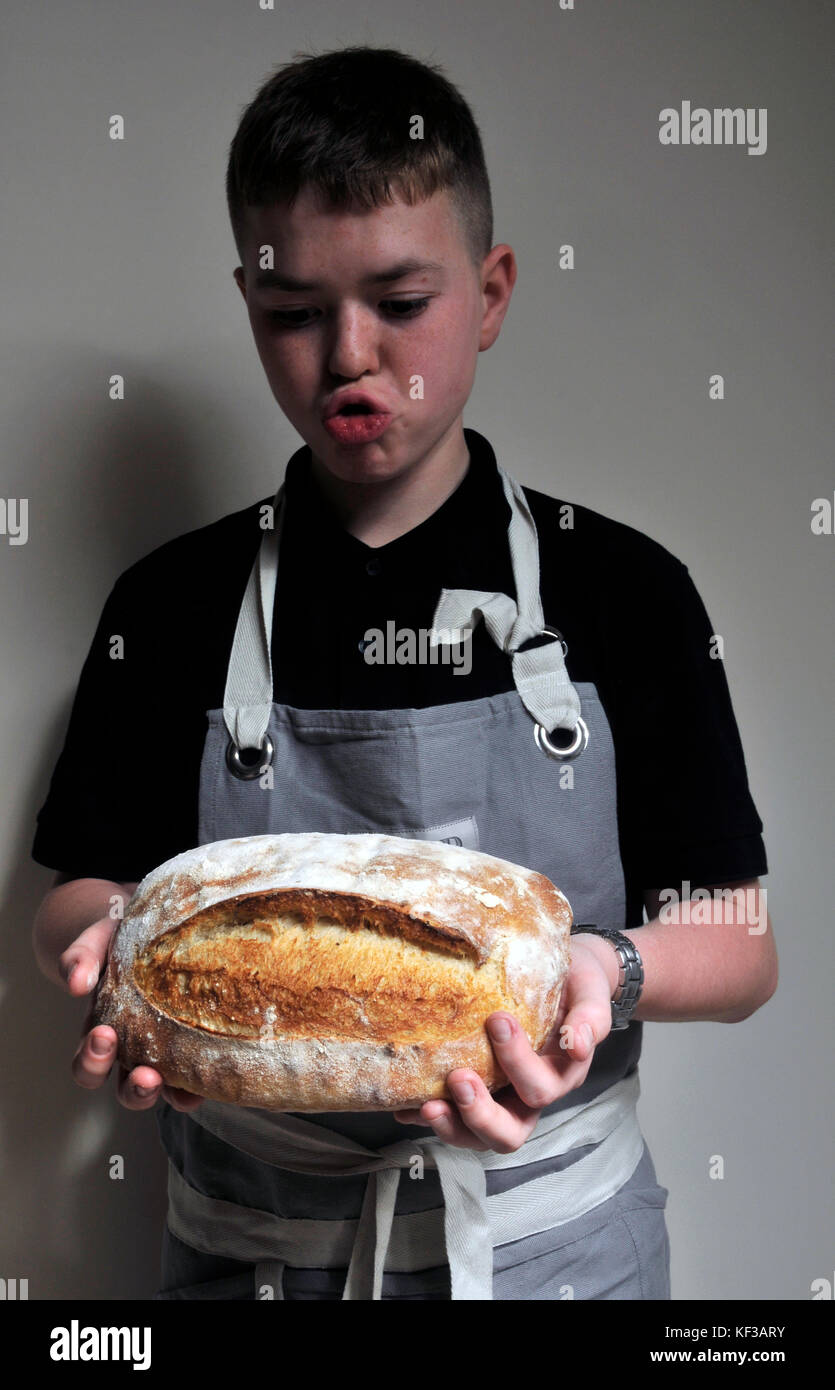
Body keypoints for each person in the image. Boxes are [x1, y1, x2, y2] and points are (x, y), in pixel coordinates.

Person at [31, 45, 777, 1301]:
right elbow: (81, 890)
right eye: (293, 313)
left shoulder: (626, 591)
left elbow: (741, 939)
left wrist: (607, 970)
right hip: (252, 1262)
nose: (348, 355)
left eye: (400, 299)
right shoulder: (168, 607)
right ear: (247, 302)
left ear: (489, 295)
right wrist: (109, 947)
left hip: (553, 1262)